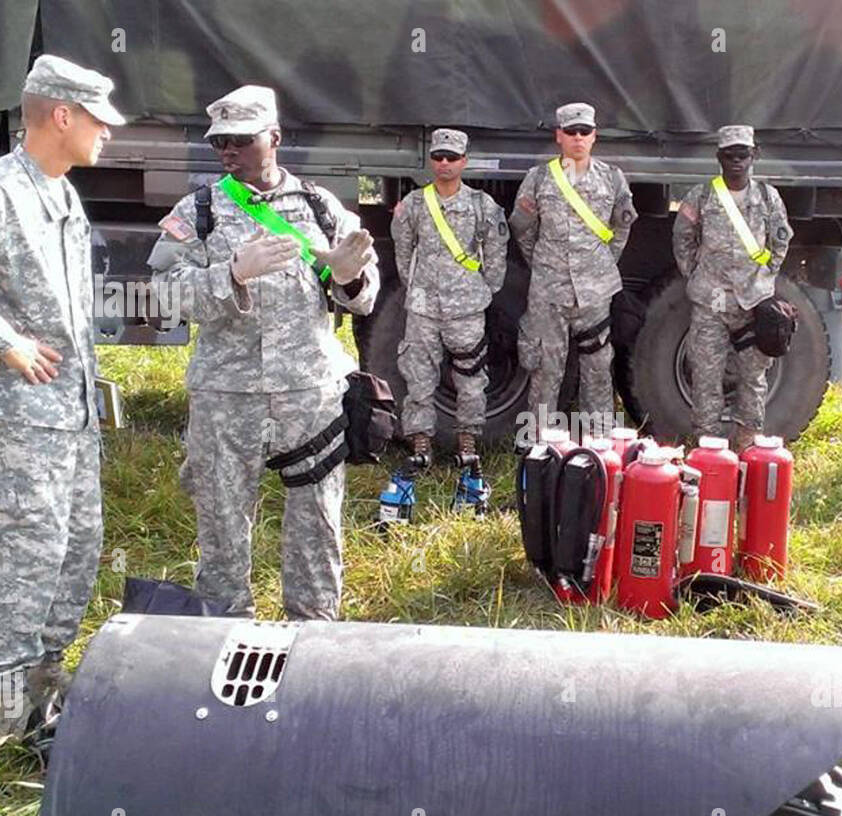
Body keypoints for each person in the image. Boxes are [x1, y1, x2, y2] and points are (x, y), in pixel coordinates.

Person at [0, 55, 124, 746]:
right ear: (61, 115)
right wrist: (0, 337)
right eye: (99, 119)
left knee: (73, 555)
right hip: (15, 424)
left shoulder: (60, 191)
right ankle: (5, 728)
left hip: (68, 422)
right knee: (20, 567)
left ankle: (44, 700)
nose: (109, 134)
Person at [148, 85, 378, 620]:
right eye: (219, 143)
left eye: (240, 140)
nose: (228, 151)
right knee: (223, 523)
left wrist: (348, 278)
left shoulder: (320, 208)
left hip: (309, 395)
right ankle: (223, 636)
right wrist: (231, 274)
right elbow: (161, 294)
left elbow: (365, 298)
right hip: (227, 396)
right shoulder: (199, 210)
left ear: (273, 138)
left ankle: (313, 638)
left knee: (317, 524)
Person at [509, 102, 636, 447]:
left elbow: (621, 227)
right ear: (559, 137)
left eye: (585, 132)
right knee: (545, 367)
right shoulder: (539, 179)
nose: (578, 138)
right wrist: (545, 265)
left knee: (597, 368)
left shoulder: (612, 179)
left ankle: (600, 445)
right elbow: (522, 228)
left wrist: (601, 263)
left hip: (595, 292)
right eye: (571, 132)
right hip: (548, 291)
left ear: (594, 137)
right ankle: (537, 444)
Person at [671, 125, 794, 450]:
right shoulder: (702, 196)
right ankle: (706, 449)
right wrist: (696, 276)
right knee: (706, 378)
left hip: (753, 305)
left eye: (743, 154)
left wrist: (764, 278)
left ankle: (746, 445)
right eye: (729, 155)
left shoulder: (768, 197)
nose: (736, 161)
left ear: (754, 156)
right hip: (710, 303)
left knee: (753, 379)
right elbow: (682, 238)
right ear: (719, 157)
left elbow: (781, 241)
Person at [391, 128, 508, 464]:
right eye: (439, 157)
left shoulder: (480, 205)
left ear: (464, 161)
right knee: (419, 376)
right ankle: (420, 445)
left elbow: (497, 249)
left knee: (471, 377)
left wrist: (485, 288)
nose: (444, 163)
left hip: (467, 308)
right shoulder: (414, 204)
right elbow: (403, 250)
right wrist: (416, 287)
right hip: (423, 308)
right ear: (431, 161)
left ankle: (468, 443)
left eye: (452, 158)